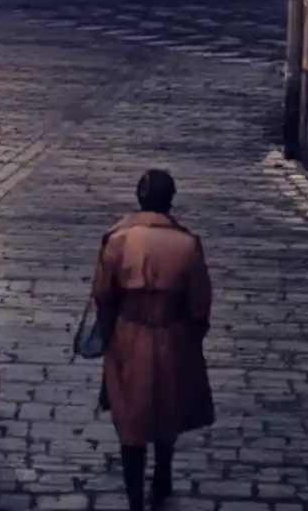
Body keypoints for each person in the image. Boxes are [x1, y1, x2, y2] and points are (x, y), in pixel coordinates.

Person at [92, 169, 215, 511]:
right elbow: (200, 305)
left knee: (130, 416)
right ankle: (162, 476)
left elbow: (103, 295)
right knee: (167, 407)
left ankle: (134, 496)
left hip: (129, 334)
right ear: (170, 200)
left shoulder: (117, 240)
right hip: (173, 334)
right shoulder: (188, 244)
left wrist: (107, 337)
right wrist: (192, 336)